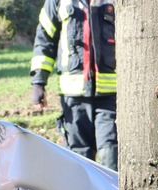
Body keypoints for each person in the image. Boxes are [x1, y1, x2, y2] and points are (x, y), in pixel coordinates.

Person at [30, 0, 118, 170]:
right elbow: (44, 40)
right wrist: (38, 82)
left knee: (111, 156)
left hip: (110, 98)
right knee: (79, 161)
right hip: (73, 99)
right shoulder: (57, 2)